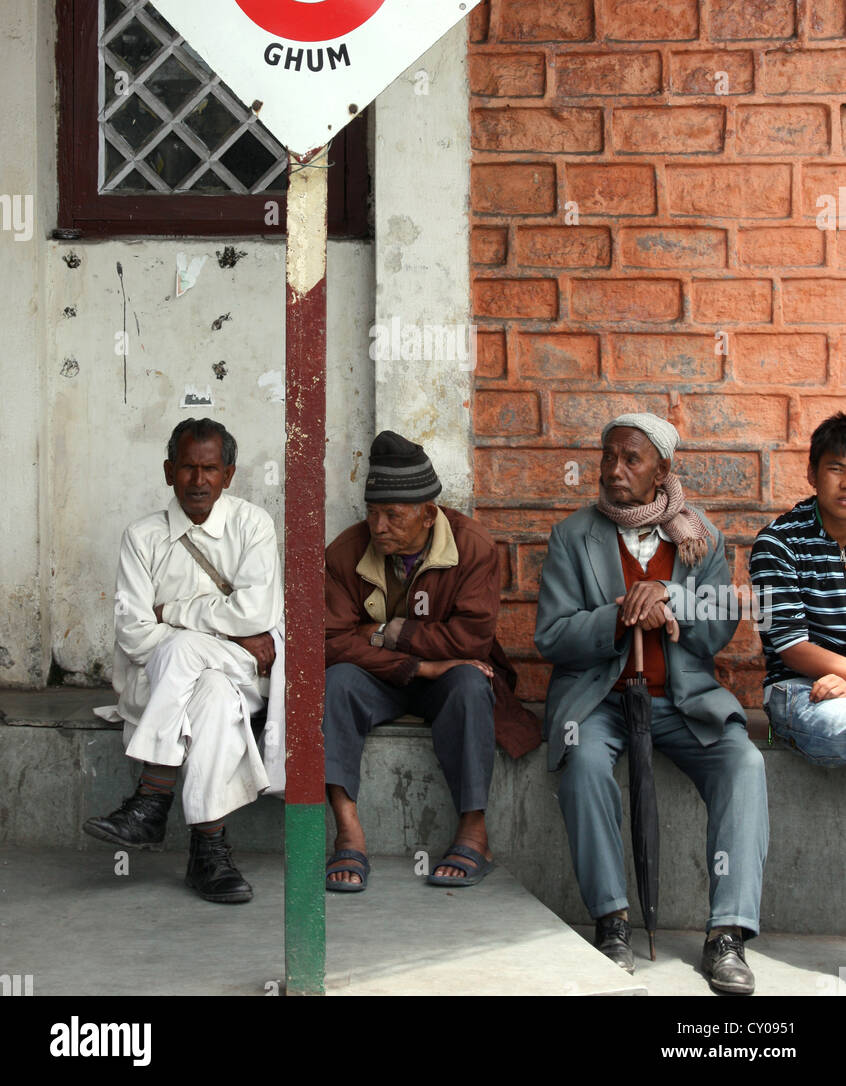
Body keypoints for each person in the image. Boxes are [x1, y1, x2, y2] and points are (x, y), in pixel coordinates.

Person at [535, 412, 768, 995]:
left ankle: (727, 935)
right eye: (608, 457)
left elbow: (719, 625)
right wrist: (616, 615)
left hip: (684, 703)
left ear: (662, 470)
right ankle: (611, 922)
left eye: (631, 459)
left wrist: (669, 594)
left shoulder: (699, 537)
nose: (614, 470)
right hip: (602, 702)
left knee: (744, 764)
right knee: (584, 765)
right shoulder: (574, 535)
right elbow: (552, 636)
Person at [323, 430, 541, 892]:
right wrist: (419, 666)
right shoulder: (345, 552)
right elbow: (331, 641)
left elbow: (472, 639)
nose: (378, 526)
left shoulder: (472, 546)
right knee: (337, 681)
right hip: (379, 678)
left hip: (446, 678)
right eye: (373, 513)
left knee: (469, 683)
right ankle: (348, 829)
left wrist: (390, 631)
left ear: (428, 514)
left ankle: (474, 830)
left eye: (392, 515)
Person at [83, 418, 283, 904]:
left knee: (182, 647)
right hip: (173, 680)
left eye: (210, 469)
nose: (198, 481)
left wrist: (172, 614)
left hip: (243, 669)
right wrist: (222, 627)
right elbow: (133, 632)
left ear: (229, 475)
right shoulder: (142, 537)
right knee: (211, 695)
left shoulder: (252, 525)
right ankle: (208, 851)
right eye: (188, 468)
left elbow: (256, 613)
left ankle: (153, 796)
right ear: (169, 471)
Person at [749, 411, 846, 766]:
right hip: (800, 688)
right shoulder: (777, 543)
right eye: (837, 468)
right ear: (813, 474)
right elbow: (791, 646)